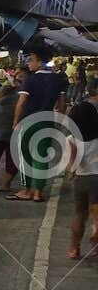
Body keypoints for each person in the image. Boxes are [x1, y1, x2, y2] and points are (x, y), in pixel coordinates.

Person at [7, 50, 71, 203]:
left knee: (25, 156)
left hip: (28, 121)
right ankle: (38, 193)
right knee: (41, 157)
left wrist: (16, 121)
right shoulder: (58, 79)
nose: (28, 63)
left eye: (31, 60)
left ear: (40, 62)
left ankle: (26, 190)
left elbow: (21, 103)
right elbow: (62, 104)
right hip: (46, 120)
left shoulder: (30, 80)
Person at [66, 90, 98, 259]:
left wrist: (72, 173)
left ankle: (74, 247)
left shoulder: (71, 139)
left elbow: (71, 163)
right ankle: (96, 237)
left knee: (80, 214)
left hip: (81, 179)